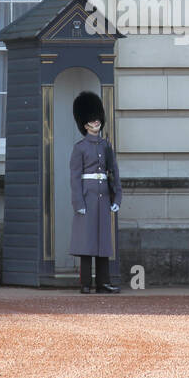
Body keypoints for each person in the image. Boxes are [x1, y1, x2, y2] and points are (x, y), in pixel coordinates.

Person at [69, 90, 122, 294]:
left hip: (103, 196)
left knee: (102, 241)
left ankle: (103, 282)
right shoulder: (80, 148)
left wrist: (117, 197)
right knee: (86, 242)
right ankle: (85, 283)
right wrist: (78, 203)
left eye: (97, 119)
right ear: (85, 125)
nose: (96, 122)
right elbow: (74, 177)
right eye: (91, 120)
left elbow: (113, 172)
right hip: (88, 197)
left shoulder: (106, 146)